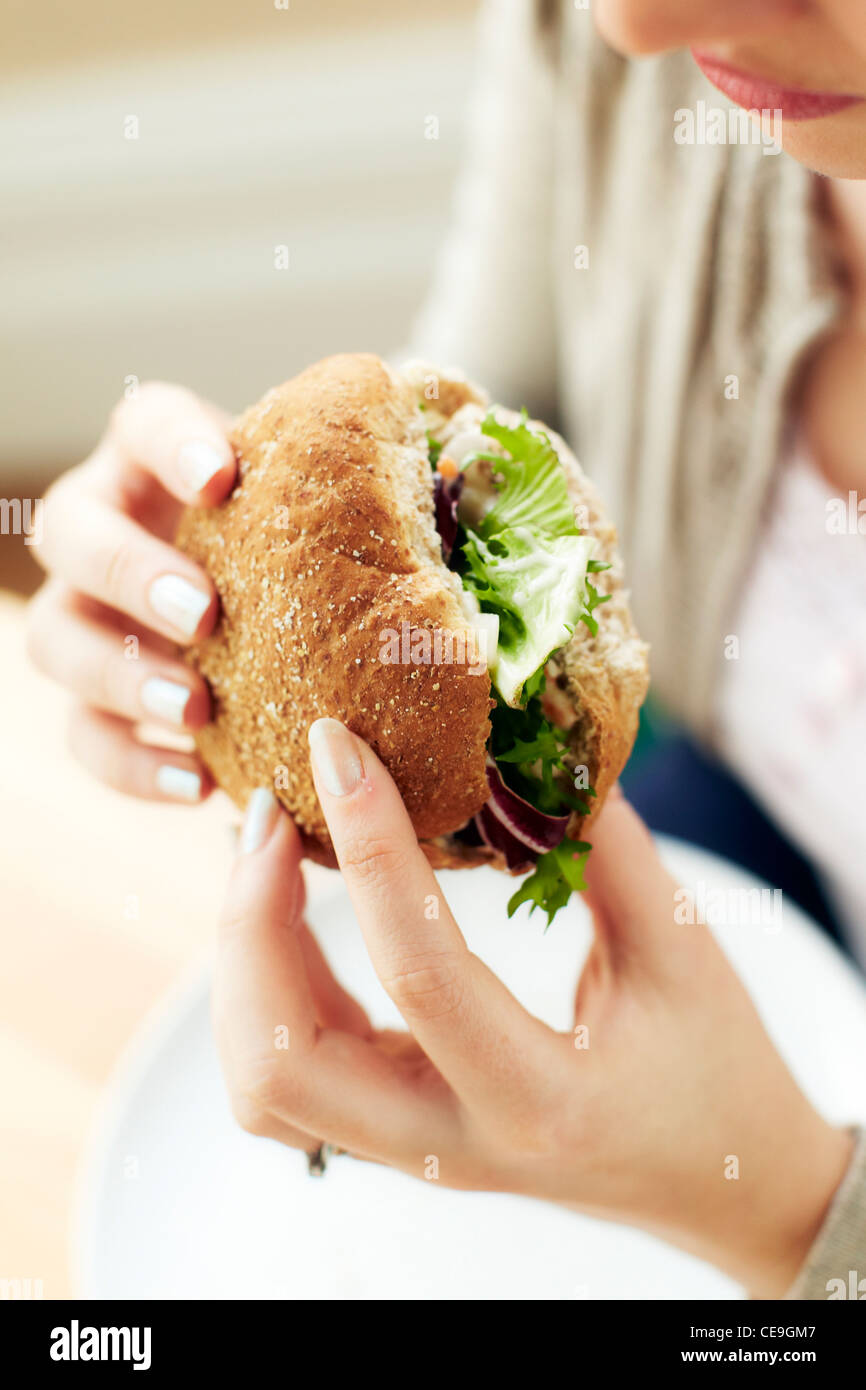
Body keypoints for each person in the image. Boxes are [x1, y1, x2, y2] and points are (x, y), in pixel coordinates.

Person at [25, 0, 866, 1296]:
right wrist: (223, 551)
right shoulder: (609, 37)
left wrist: (795, 1215)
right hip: (737, 820)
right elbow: (481, 377)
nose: (631, 23)